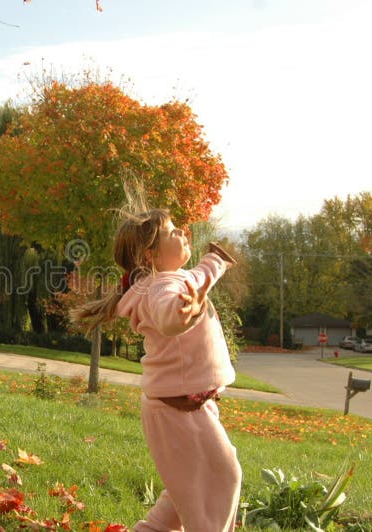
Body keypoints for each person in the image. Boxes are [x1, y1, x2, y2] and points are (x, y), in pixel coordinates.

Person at [72, 206, 241, 532]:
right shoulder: (160, 289)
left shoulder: (176, 278)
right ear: (150, 255)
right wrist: (186, 313)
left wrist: (217, 259)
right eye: (171, 232)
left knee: (188, 488)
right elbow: (167, 317)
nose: (182, 233)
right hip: (178, 409)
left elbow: (202, 274)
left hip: (187, 403)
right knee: (222, 478)